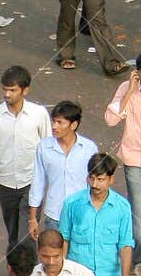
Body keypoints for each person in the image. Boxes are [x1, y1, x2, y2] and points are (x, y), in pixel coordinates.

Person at [0, 66, 50, 248]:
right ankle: (18, 270)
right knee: (13, 234)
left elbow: (47, 149)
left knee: (25, 235)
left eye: (12, 90)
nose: (7, 94)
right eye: (5, 89)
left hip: (32, 182)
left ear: (25, 90)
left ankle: (27, 270)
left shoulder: (39, 114)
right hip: (5, 185)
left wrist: (48, 185)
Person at [28, 100, 96, 236]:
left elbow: (96, 183)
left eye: (60, 122)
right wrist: (32, 219)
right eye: (54, 121)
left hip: (83, 215)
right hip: (54, 215)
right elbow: (38, 182)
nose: (54, 126)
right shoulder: (44, 147)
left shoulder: (89, 149)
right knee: (54, 255)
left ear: (73, 125)